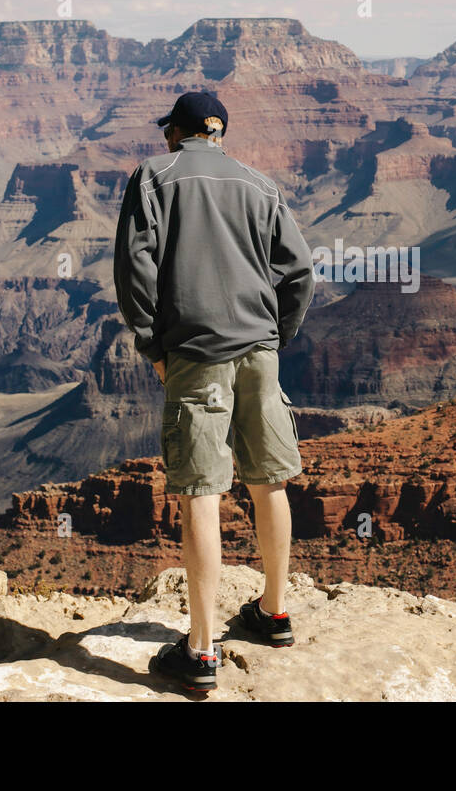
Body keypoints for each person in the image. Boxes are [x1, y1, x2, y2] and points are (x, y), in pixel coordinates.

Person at [113, 91, 315, 693]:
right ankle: (274, 613)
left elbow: (134, 268)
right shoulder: (259, 184)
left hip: (196, 355)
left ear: (176, 132)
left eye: (167, 132)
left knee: (201, 491)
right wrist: (276, 336)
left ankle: (201, 653)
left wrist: (153, 347)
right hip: (259, 350)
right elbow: (299, 272)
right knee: (268, 479)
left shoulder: (154, 177)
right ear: (220, 133)